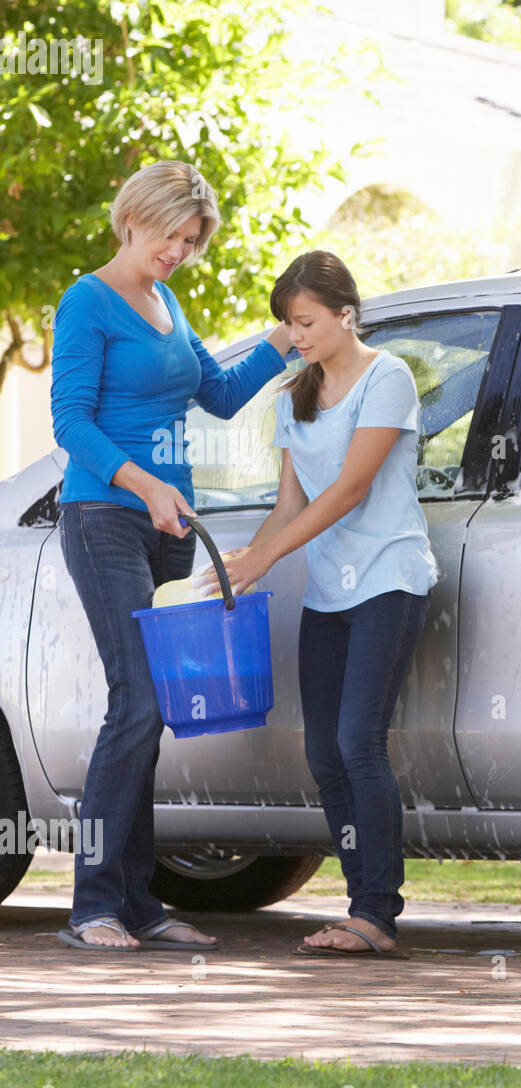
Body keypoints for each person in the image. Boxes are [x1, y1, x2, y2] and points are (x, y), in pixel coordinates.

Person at [50, 160, 292, 951]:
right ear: (134, 217)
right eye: (171, 236)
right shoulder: (87, 303)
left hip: (167, 525)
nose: (180, 251)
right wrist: (147, 485)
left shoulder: (167, 303)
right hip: (106, 516)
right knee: (138, 702)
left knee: (152, 715)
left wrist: (280, 343)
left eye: (191, 242)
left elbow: (216, 393)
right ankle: (93, 905)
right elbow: (71, 423)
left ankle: (140, 903)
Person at [196, 251, 437, 957]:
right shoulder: (290, 399)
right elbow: (291, 505)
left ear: (344, 314)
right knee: (323, 750)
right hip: (330, 591)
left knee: (359, 742)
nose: (294, 335)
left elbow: (351, 490)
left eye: (305, 320)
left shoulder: (386, 377)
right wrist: (239, 563)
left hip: (388, 579)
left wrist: (269, 557)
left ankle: (376, 913)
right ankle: (360, 906)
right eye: (287, 323)